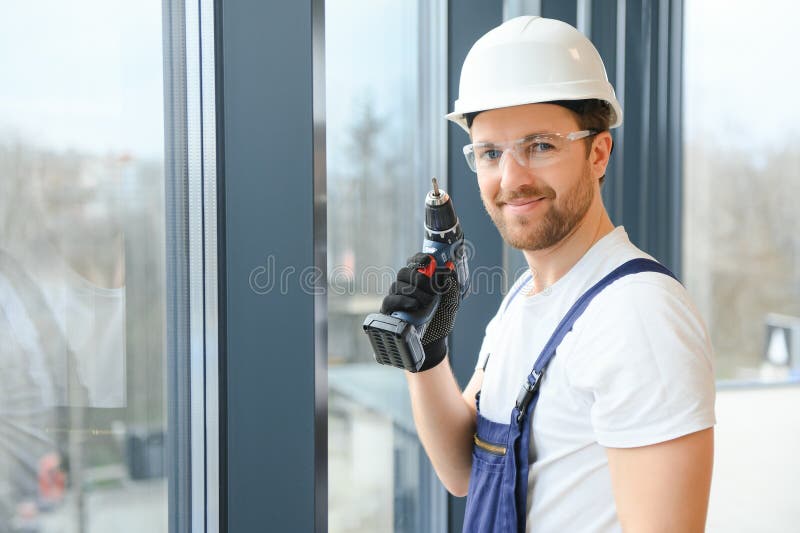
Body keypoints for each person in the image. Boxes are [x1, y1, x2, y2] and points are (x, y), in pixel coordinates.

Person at [380, 16, 716, 532]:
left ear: (597, 152)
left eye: (540, 145)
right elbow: (464, 472)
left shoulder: (638, 315)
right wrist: (426, 352)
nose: (511, 178)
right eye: (491, 152)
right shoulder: (524, 299)